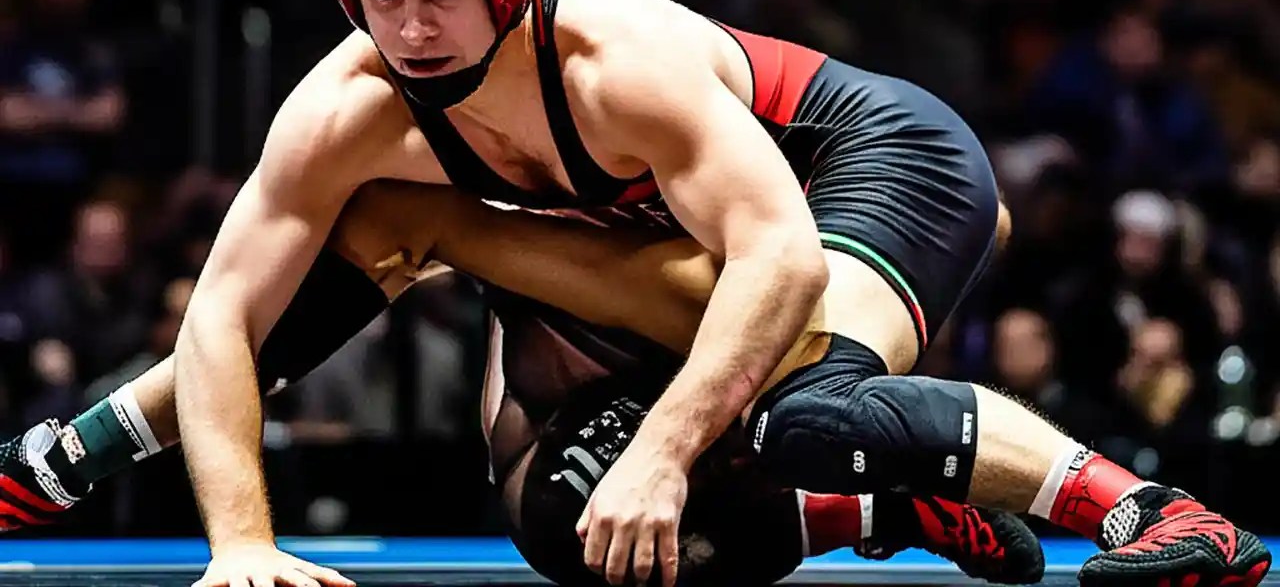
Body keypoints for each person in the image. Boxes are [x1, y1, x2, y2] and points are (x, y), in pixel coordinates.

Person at [6, 0, 1271, 586]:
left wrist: (669, 449)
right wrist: (240, 545)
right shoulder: (344, 110)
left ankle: (1156, 515)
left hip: (860, 172)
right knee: (573, 520)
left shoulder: (615, 58)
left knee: (803, 412)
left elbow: (772, 259)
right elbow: (227, 315)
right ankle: (871, 510)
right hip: (681, 254)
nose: (413, 30)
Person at [0, 182, 1044, 587]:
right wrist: (76, 451)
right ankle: (864, 509)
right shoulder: (471, 200)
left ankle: (864, 493)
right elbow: (252, 341)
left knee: (737, 458)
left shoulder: (710, 169)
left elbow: (973, 221)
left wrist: (884, 296)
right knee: (574, 536)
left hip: (710, 399)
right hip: (558, 427)